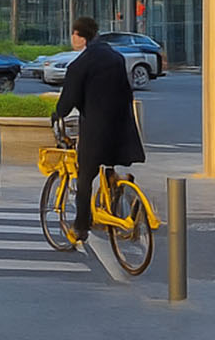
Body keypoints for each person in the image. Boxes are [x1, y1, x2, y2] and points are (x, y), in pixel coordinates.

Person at [51, 16, 146, 245]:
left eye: (73, 34)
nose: (72, 38)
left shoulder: (80, 64)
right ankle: (119, 185)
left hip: (96, 129)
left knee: (85, 178)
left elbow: (67, 102)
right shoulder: (116, 57)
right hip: (122, 126)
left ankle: (81, 227)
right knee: (109, 163)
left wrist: (57, 116)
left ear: (79, 36)